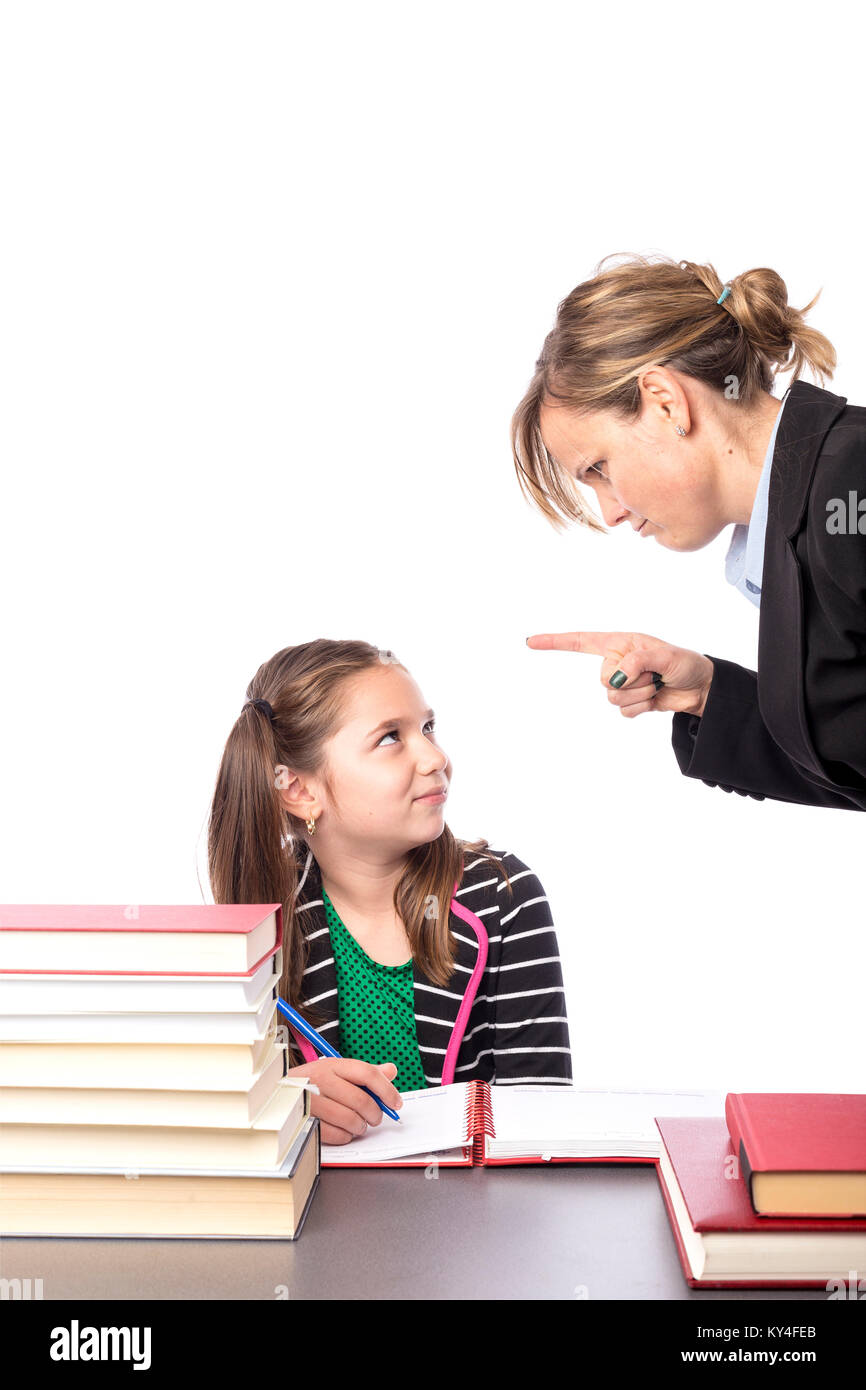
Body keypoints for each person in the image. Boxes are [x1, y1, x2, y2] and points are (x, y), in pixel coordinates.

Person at [511, 253, 866, 812]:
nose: (611, 512)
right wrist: (707, 694)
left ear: (665, 401)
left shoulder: (852, 486)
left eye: (599, 469)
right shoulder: (808, 512)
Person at [207, 639, 572, 1145]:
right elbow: (217, 1124)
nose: (435, 757)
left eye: (427, 728)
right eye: (389, 739)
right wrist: (283, 1100)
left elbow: (543, 1124)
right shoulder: (260, 921)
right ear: (299, 790)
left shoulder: (504, 897)